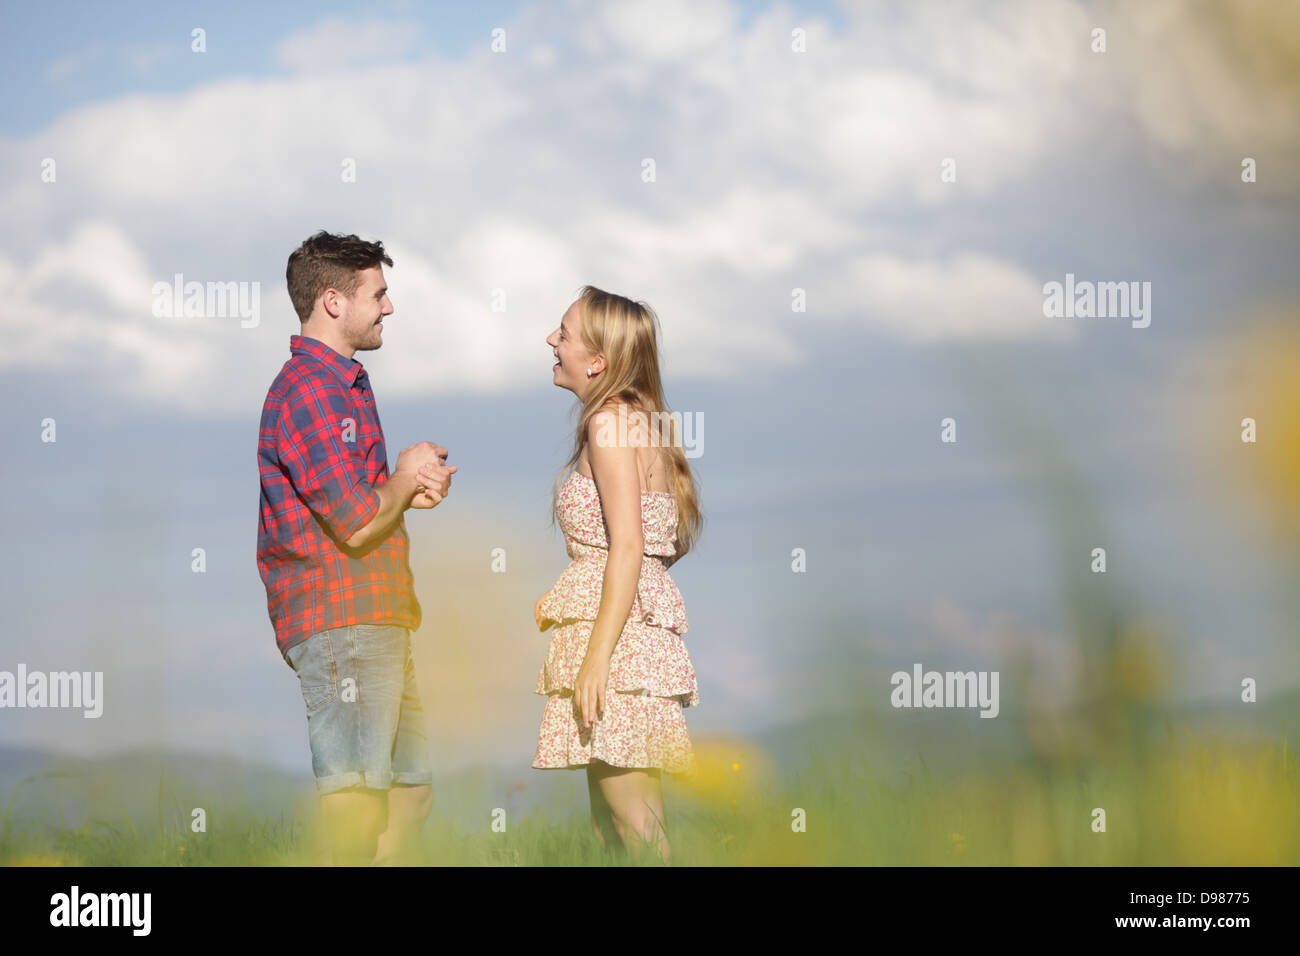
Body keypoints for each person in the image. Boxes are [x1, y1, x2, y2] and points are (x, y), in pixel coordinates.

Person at [256, 231, 456, 865]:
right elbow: (357, 523)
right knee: (355, 804)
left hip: (376, 614)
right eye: (379, 294)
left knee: (409, 796)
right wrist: (403, 477)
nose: (389, 307)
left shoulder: (339, 385)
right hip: (344, 619)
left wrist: (404, 492)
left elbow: (364, 507)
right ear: (335, 302)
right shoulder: (312, 390)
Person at [494, 285, 701, 862]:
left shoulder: (609, 423)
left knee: (632, 821)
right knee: (613, 825)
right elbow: (660, 544)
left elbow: (629, 546)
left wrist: (597, 656)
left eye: (563, 333)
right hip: (635, 630)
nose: (550, 341)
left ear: (598, 361)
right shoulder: (642, 422)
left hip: (616, 641)